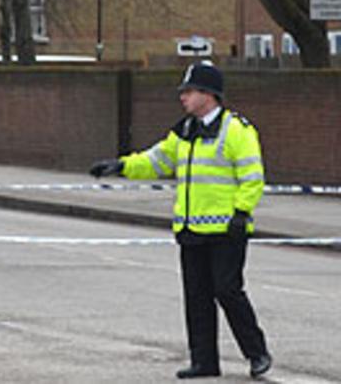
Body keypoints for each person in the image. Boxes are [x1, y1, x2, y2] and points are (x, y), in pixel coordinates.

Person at [89, 61, 272, 380]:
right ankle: (204, 362)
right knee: (196, 297)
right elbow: (156, 160)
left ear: (208, 95)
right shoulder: (184, 131)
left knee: (228, 292)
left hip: (226, 229)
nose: (183, 98)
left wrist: (241, 213)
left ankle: (257, 353)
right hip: (190, 229)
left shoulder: (237, 130)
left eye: (188, 92)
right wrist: (120, 165)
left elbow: (253, 177)